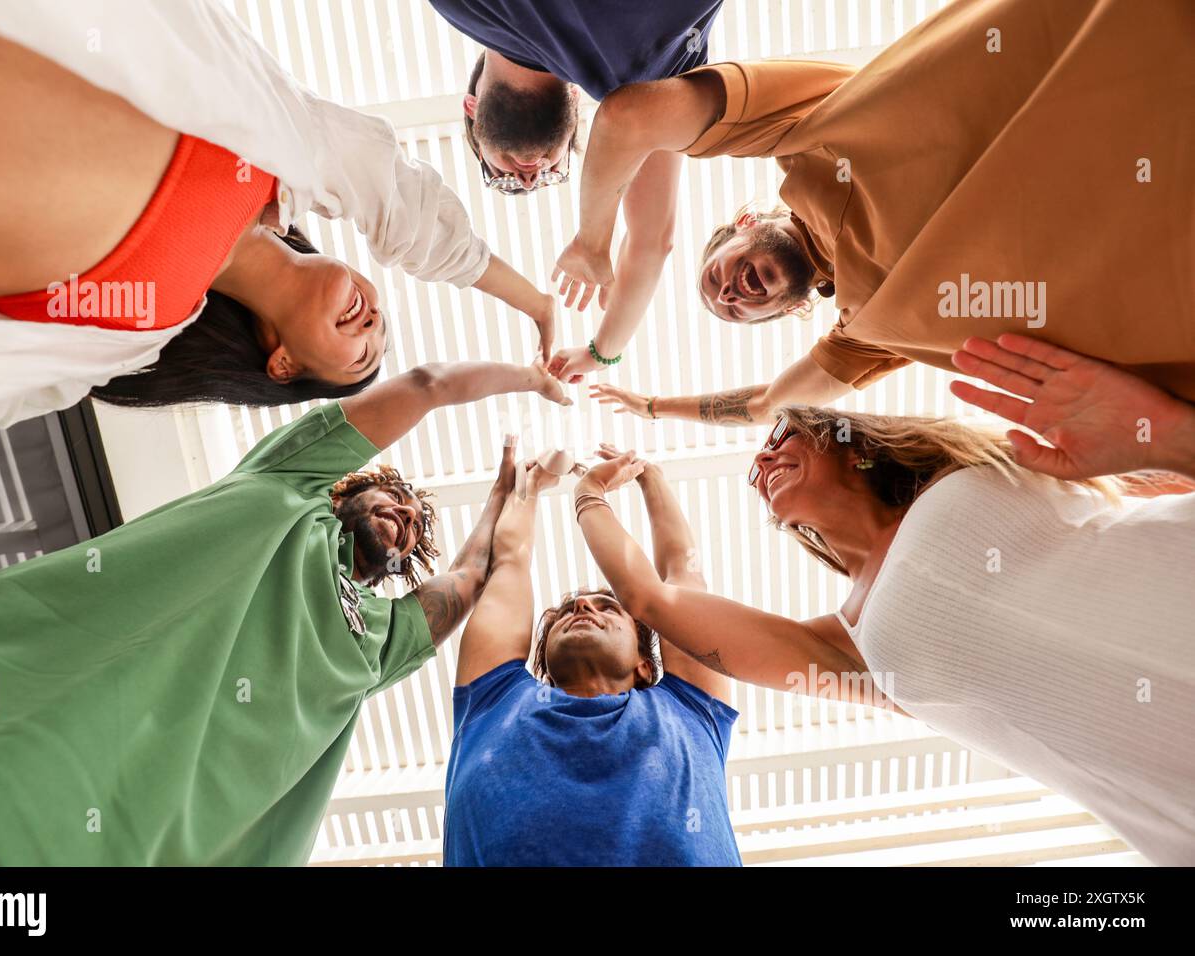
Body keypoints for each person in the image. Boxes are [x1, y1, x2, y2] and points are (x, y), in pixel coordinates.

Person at [0, 356, 569, 866]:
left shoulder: (381, 637)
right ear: (346, 492)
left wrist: (510, 493)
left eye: (417, 530)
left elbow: (476, 572)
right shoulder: (290, 485)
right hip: (0, 743)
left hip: (107, 845)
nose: (406, 517)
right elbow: (427, 385)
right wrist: (529, 379)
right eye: (396, 500)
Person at [0, 1, 556, 477]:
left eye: (360, 354)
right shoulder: (280, 154)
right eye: (384, 325)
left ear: (284, 364)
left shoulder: (131, 338)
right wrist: (537, 305)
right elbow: (402, 200)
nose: (373, 324)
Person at [574, 410, 1195, 865]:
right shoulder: (843, 645)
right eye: (754, 470)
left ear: (848, 439)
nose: (761, 463)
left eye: (777, 439)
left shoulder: (978, 464)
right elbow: (655, 597)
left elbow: (1155, 474)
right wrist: (590, 495)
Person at [562, 0, 1194, 419]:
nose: (730, 296)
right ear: (790, 309)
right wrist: (649, 408)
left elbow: (629, 119)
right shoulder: (868, 332)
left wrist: (594, 246)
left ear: (743, 224)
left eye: (714, 278)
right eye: (736, 310)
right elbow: (765, 406)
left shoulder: (796, 133)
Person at [443, 445, 741, 866]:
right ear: (543, 661)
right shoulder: (494, 699)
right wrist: (529, 488)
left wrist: (649, 475)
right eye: (567, 611)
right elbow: (509, 562)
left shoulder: (691, 707)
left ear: (644, 664)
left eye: (608, 609)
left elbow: (682, 572)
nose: (583, 607)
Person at [429, 0, 724, 381]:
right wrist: (602, 353)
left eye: (498, 173)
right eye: (554, 169)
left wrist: (593, 237)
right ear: (574, 102)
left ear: (471, 108)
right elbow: (651, 240)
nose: (529, 177)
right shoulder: (655, 77)